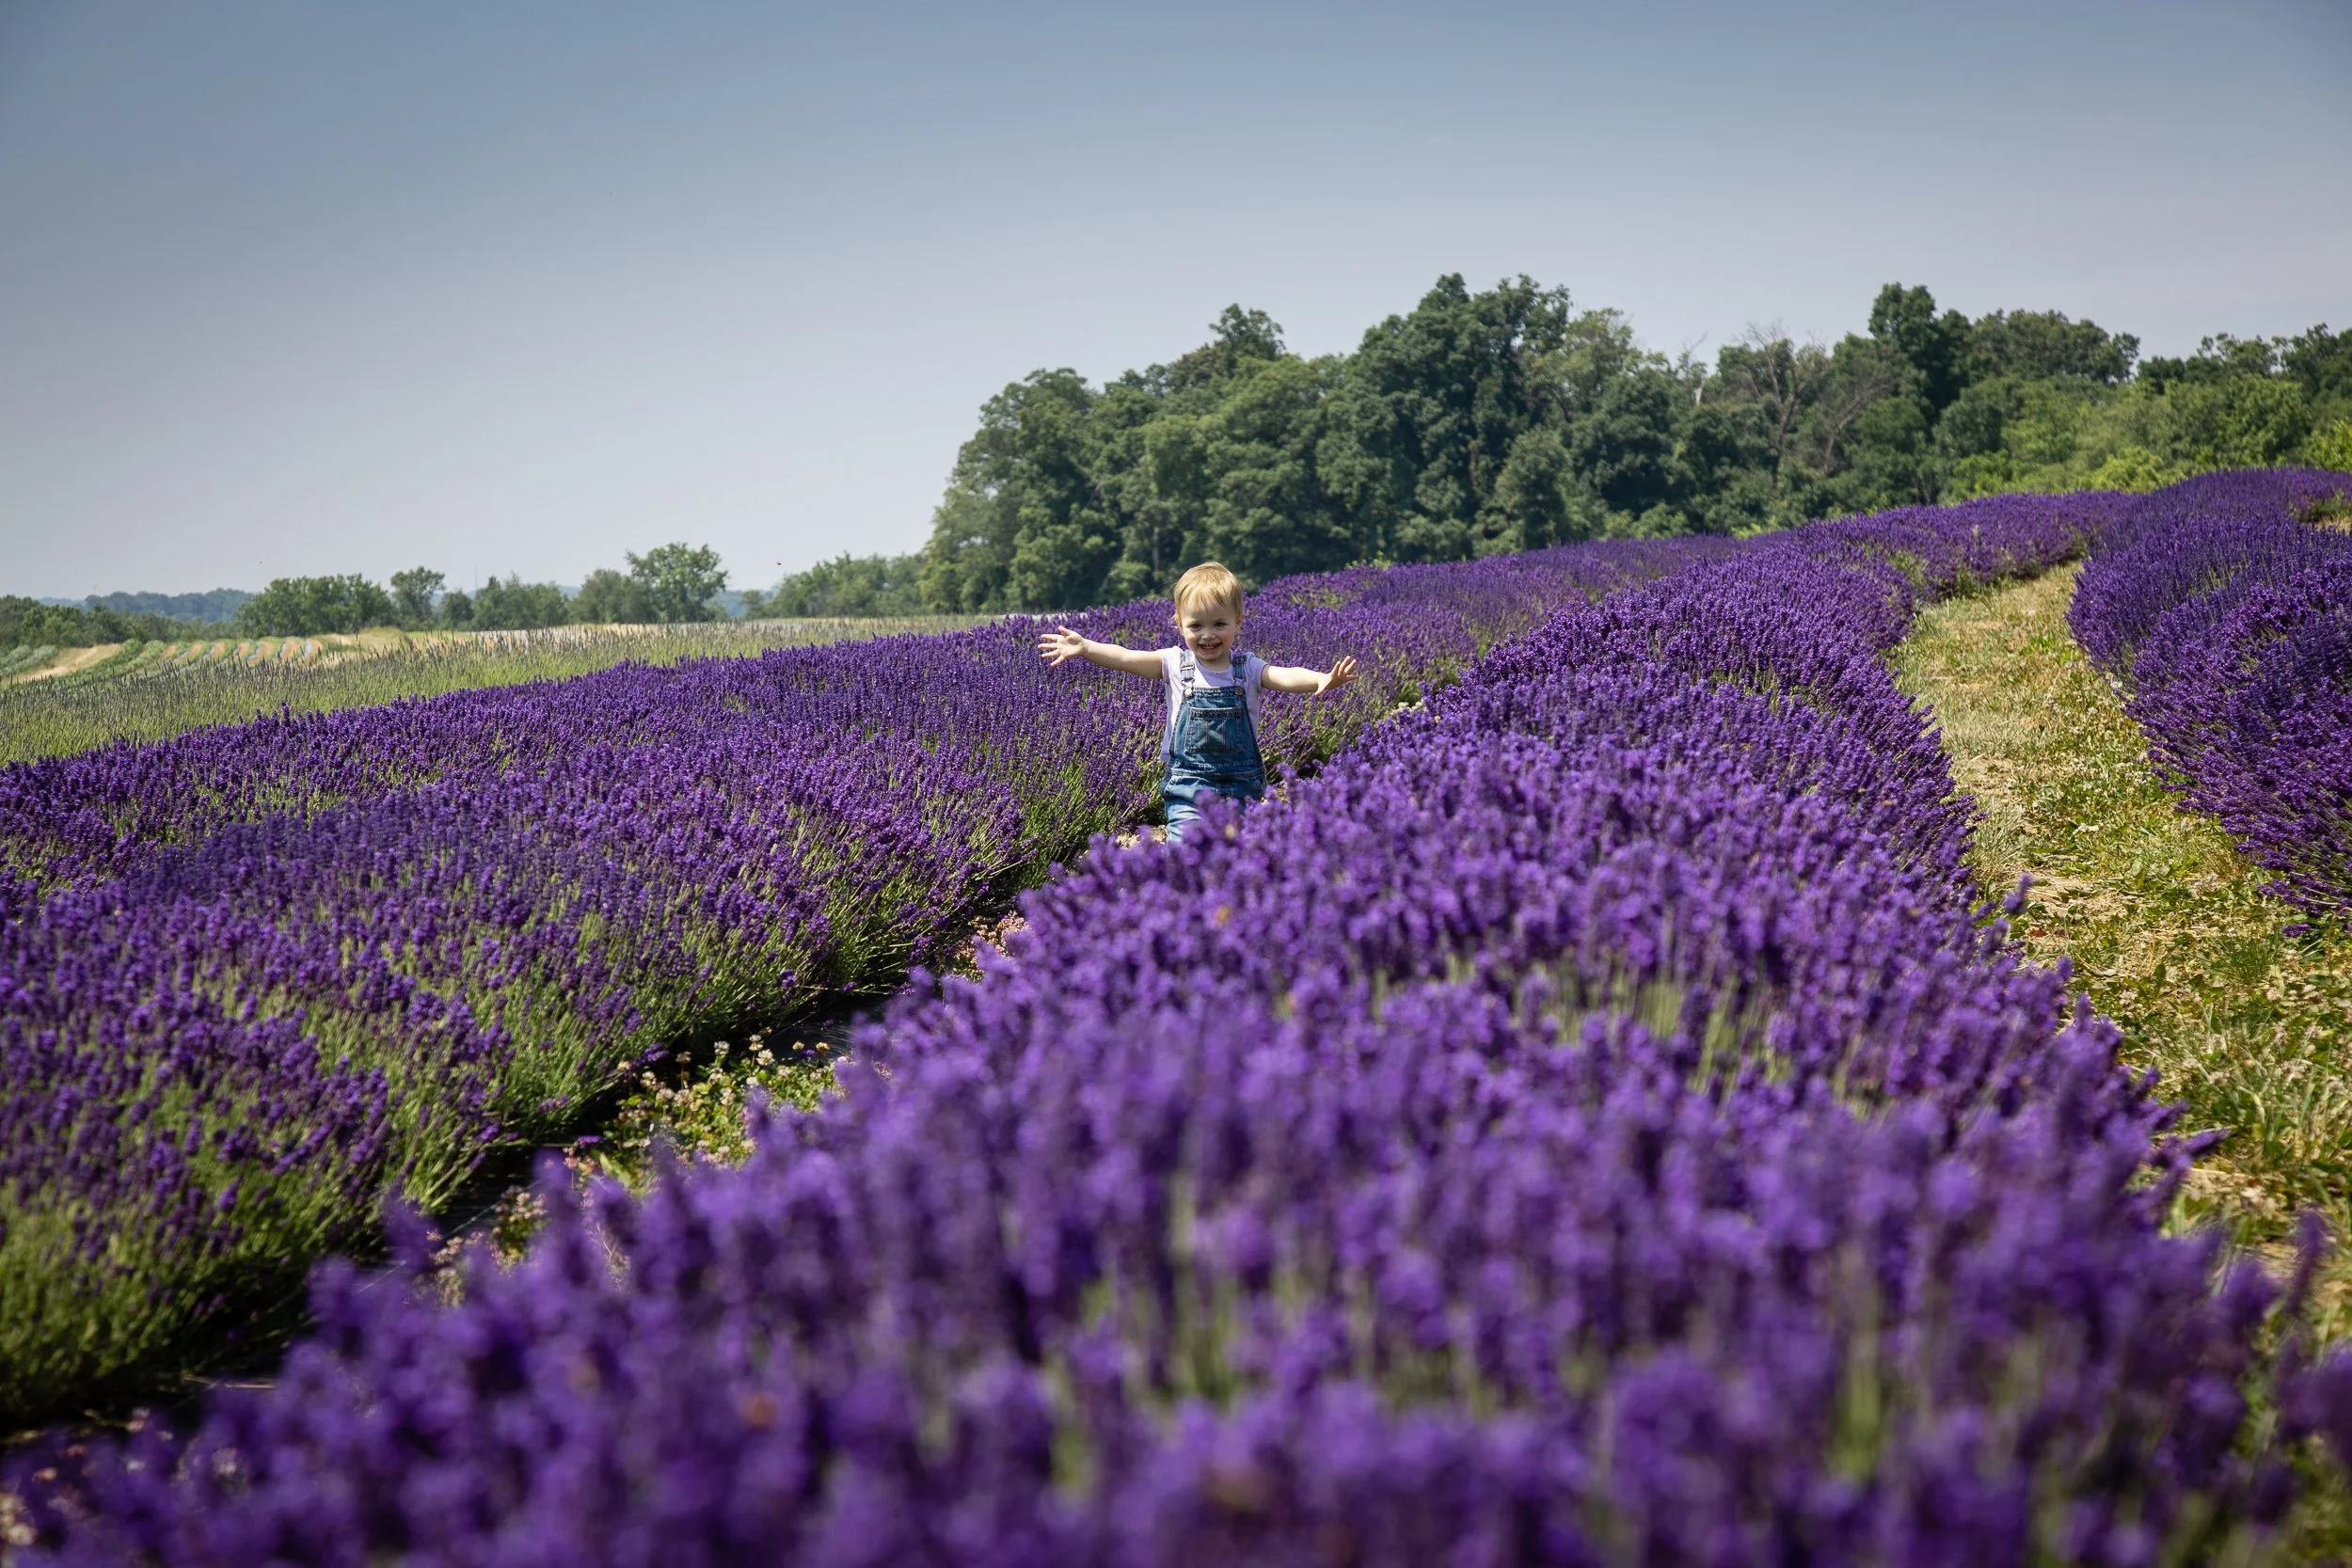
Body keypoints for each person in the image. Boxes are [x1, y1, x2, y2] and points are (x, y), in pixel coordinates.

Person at [1036, 562, 1359, 844]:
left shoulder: (1246, 668)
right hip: (1189, 784)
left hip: (1240, 784)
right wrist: (1087, 647)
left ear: (1238, 621)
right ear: (1178, 624)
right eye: (1196, 626)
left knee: (1240, 854)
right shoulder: (1175, 664)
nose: (1208, 635)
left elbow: (1284, 676)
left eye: (1219, 624)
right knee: (1187, 851)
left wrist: (1320, 679)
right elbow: (1126, 657)